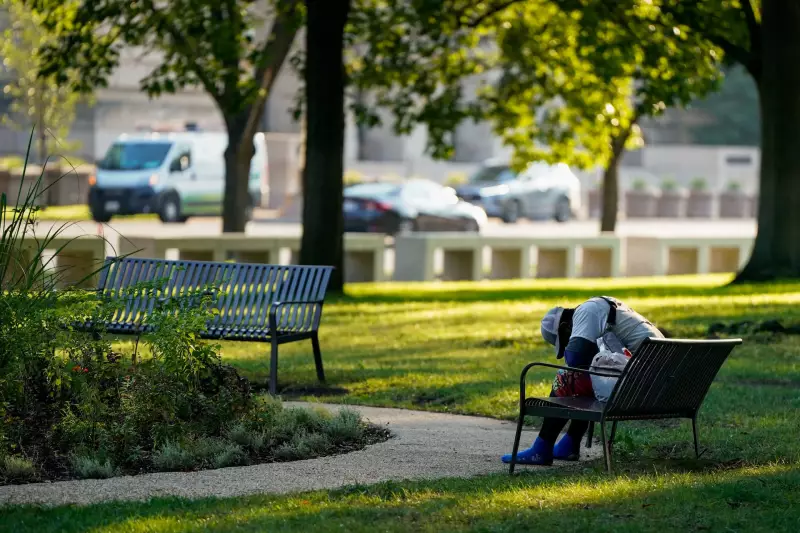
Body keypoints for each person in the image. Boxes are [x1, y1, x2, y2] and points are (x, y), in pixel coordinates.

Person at [501, 296, 665, 466]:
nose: (565, 347)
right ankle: (569, 444)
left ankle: (542, 449)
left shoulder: (586, 311)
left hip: (639, 384)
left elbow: (573, 358)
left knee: (567, 376)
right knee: (589, 372)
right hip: (657, 384)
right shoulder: (606, 307)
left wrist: (576, 353)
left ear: (565, 326)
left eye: (564, 342)